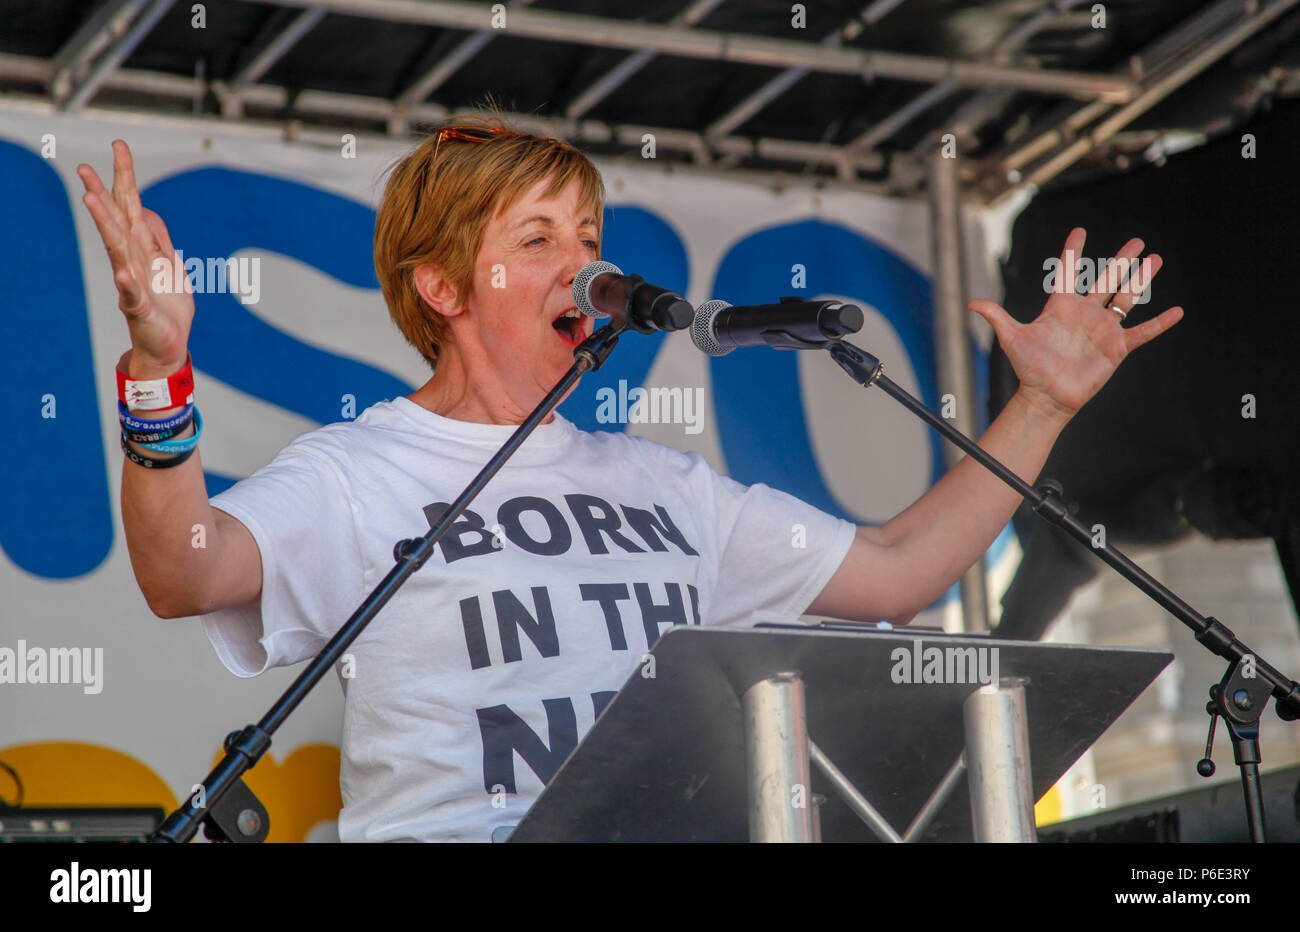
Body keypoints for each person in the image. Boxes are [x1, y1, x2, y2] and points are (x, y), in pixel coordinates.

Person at [76, 117, 1182, 842]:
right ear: (444, 286)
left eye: (591, 232)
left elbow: (899, 571)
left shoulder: (663, 484)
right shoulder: (357, 470)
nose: (587, 262)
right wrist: (155, 369)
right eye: (542, 234)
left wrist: (1039, 405)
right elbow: (184, 569)